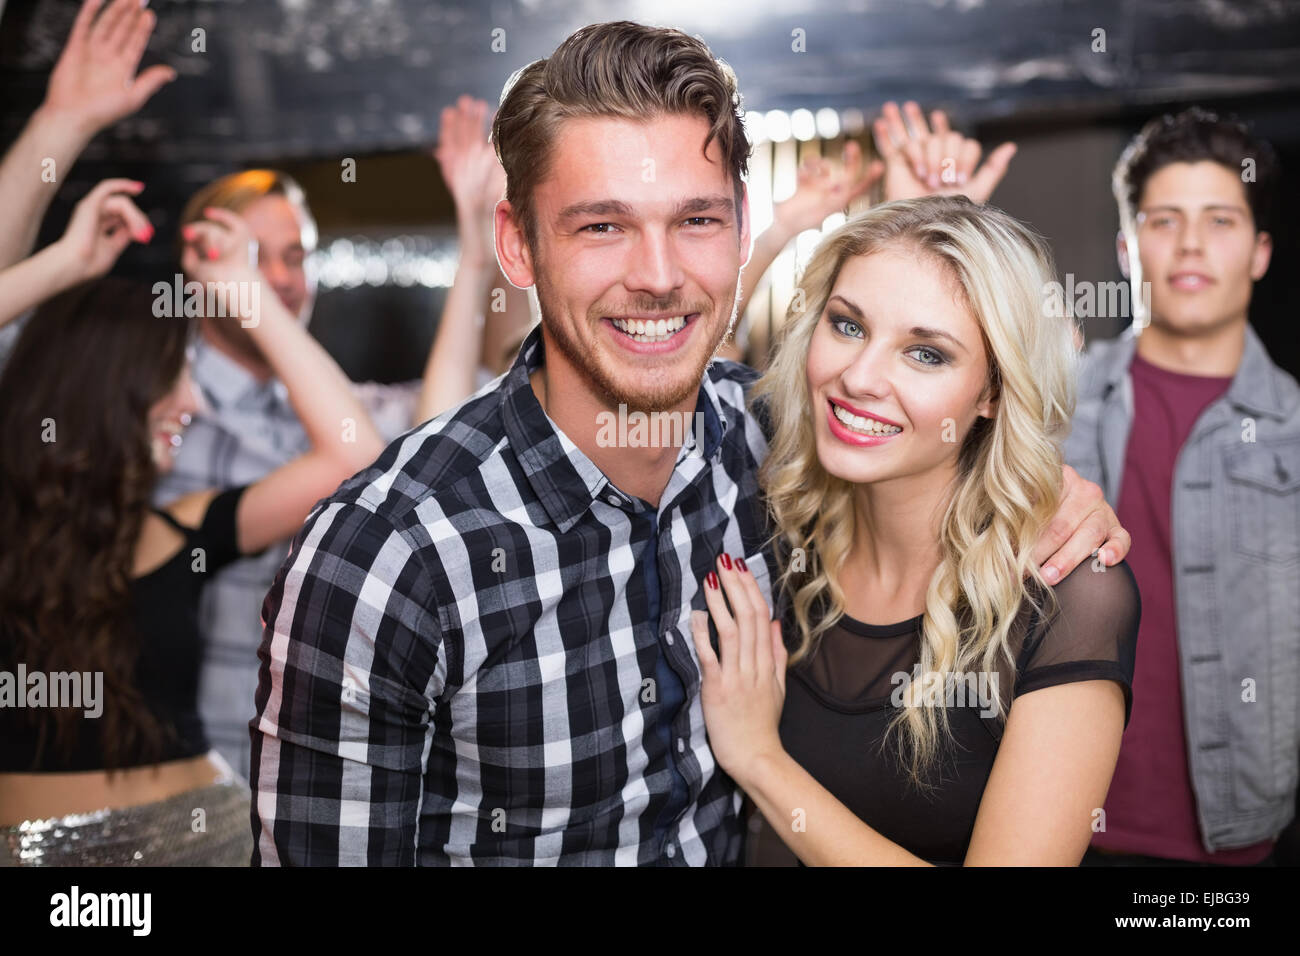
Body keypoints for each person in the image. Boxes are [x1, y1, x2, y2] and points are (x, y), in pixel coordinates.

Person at [249, 21, 1130, 866]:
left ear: (745, 232)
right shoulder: (385, 557)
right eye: (602, 225)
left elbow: (931, 444)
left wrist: (1049, 490)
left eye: (697, 221)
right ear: (517, 244)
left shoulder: (773, 444)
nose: (659, 275)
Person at [690, 196, 1140, 866]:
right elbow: (695, 376)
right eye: (847, 326)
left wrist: (759, 760)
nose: (860, 377)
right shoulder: (774, 520)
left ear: (992, 393)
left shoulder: (1069, 594)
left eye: (925, 354)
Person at [0, 194, 386, 864]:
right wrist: (64, 264)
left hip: (200, 841)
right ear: (109, 381)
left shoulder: (185, 527)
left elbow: (354, 457)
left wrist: (245, 291)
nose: (194, 400)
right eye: (174, 373)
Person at [153, 99, 533, 778]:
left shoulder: (341, 404)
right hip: (196, 777)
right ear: (202, 264)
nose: (278, 278)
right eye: (251, 259)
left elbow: (443, 433)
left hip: (317, 776)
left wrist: (479, 243)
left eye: (296, 255)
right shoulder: (153, 404)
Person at [1065, 107, 1299, 865]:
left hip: (1238, 844)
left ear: (1260, 251)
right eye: (1165, 220)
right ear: (1129, 249)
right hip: (1053, 825)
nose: (1192, 244)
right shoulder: (1053, 401)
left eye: (1221, 220)